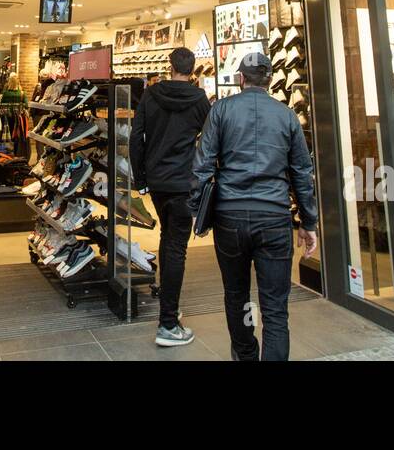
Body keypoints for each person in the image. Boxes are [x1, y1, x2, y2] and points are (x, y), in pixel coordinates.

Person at [189, 50, 318, 361]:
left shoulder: (221, 110)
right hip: (274, 217)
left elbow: (202, 164)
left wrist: (198, 211)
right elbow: (302, 171)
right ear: (270, 80)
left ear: (241, 79)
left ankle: (245, 354)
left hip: (230, 217)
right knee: (275, 306)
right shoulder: (286, 115)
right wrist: (308, 221)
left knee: (236, 295)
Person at [132, 47, 211, 347]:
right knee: (177, 247)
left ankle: (171, 307)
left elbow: (136, 138)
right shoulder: (199, 99)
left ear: (170, 65)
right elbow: (211, 137)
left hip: (157, 181)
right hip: (183, 182)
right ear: (192, 70)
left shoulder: (151, 95)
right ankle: (167, 325)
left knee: (168, 240)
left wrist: (140, 180)